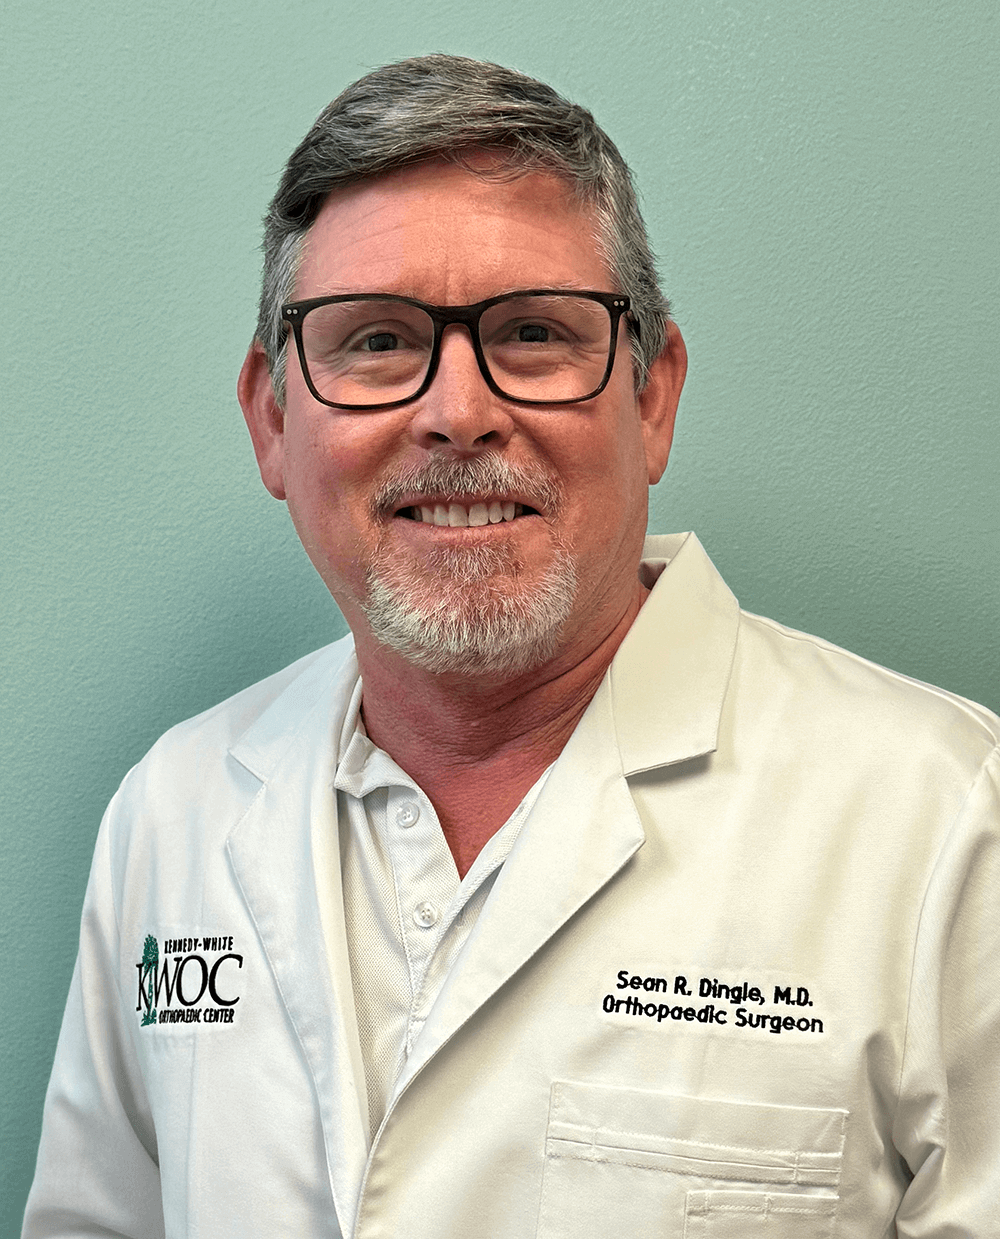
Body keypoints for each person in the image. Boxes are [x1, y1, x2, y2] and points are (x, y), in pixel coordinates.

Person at [22, 53, 1000, 1239]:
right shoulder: (172, 810)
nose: (457, 413)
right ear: (273, 419)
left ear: (651, 400)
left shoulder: (946, 826)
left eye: (533, 333)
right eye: (376, 341)